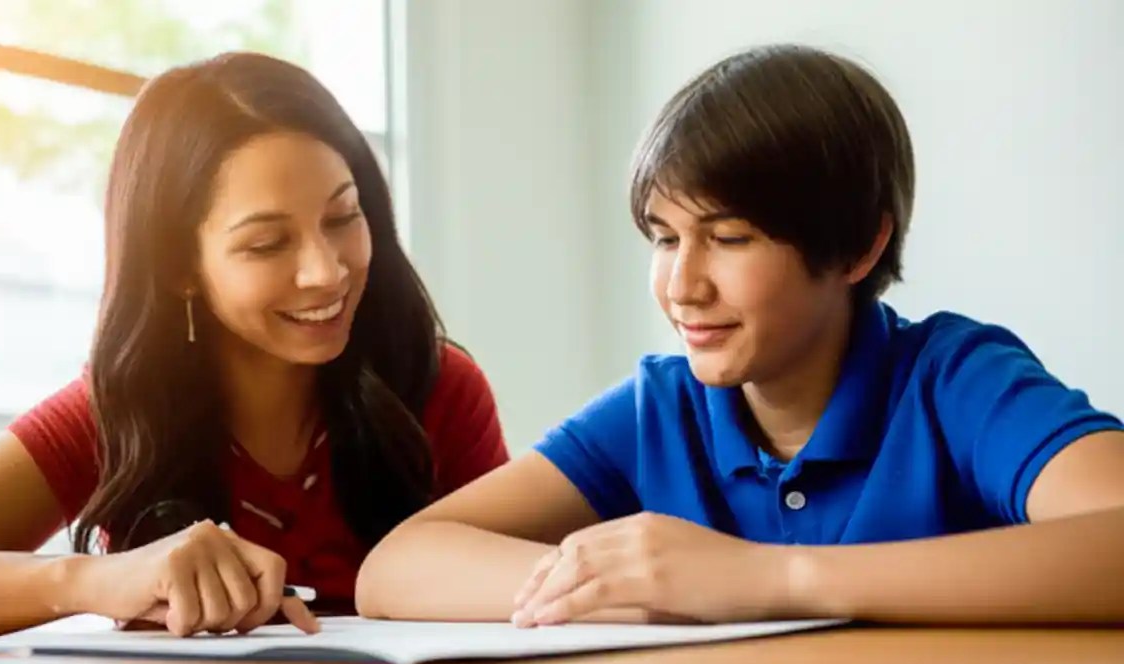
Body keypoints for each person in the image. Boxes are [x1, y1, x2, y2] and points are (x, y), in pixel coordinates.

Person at [355, 44, 1124, 626]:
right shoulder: (665, 406)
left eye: (729, 238)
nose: (682, 286)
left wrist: (770, 580)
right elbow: (397, 567)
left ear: (858, 247)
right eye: (663, 238)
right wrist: (632, 585)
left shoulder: (954, 381)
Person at [0, 52, 507, 641]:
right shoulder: (117, 413)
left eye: (343, 217)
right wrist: (87, 582)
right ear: (177, 267)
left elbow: (535, 599)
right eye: (267, 244)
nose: (326, 271)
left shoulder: (437, 387)